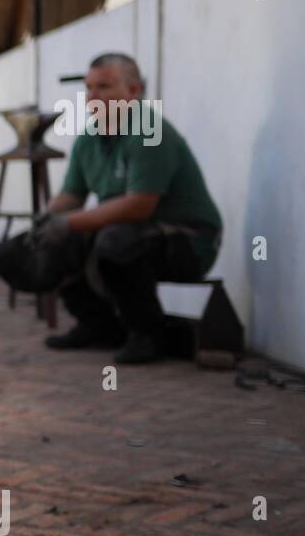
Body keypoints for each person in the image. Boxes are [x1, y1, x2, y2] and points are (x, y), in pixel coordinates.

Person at [38, 53, 223, 364]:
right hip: (135, 232)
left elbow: (138, 207)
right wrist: (45, 220)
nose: (92, 97)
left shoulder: (150, 132)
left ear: (134, 91)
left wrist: (70, 224)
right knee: (60, 238)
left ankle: (148, 334)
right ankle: (98, 326)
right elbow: (71, 196)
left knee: (113, 240)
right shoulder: (89, 138)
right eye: (89, 88)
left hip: (190, 242)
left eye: (104, 87)